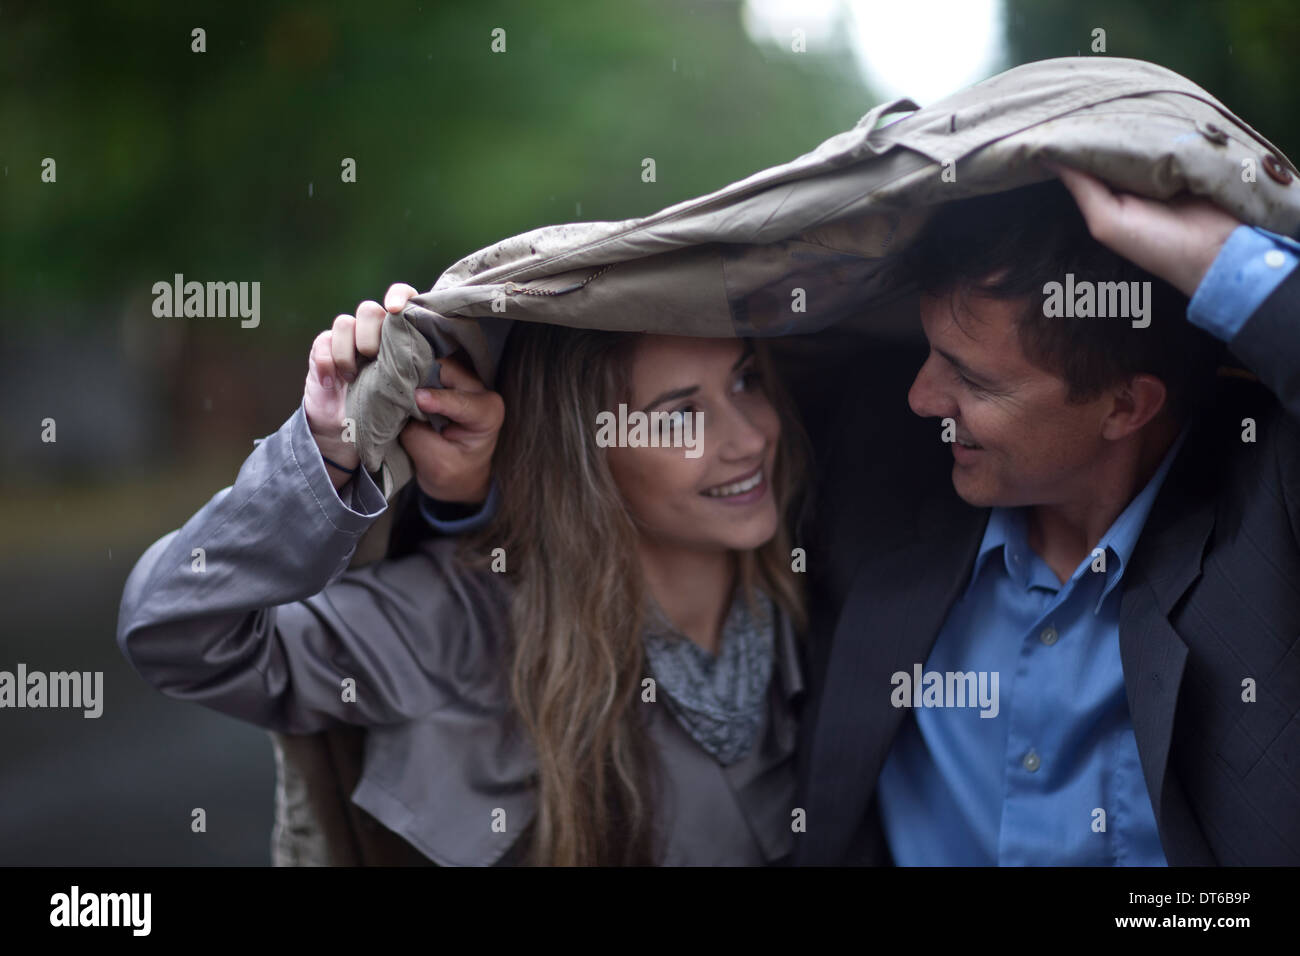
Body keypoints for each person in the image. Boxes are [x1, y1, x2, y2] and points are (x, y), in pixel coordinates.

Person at [115, 288, 812, 866]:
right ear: (584, 451)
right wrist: (326, 453)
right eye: (682, 414)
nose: (749, 437)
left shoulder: (823, 590)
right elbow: (174, 628)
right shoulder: (466, 620)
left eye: (747, 379)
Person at [796, 167, 1300, 865]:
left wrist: (1224, 260)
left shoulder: (1268, 502)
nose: (922, 398)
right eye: (929, 353)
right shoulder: (874, 456)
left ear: (1125, 407)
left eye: (971, 379)